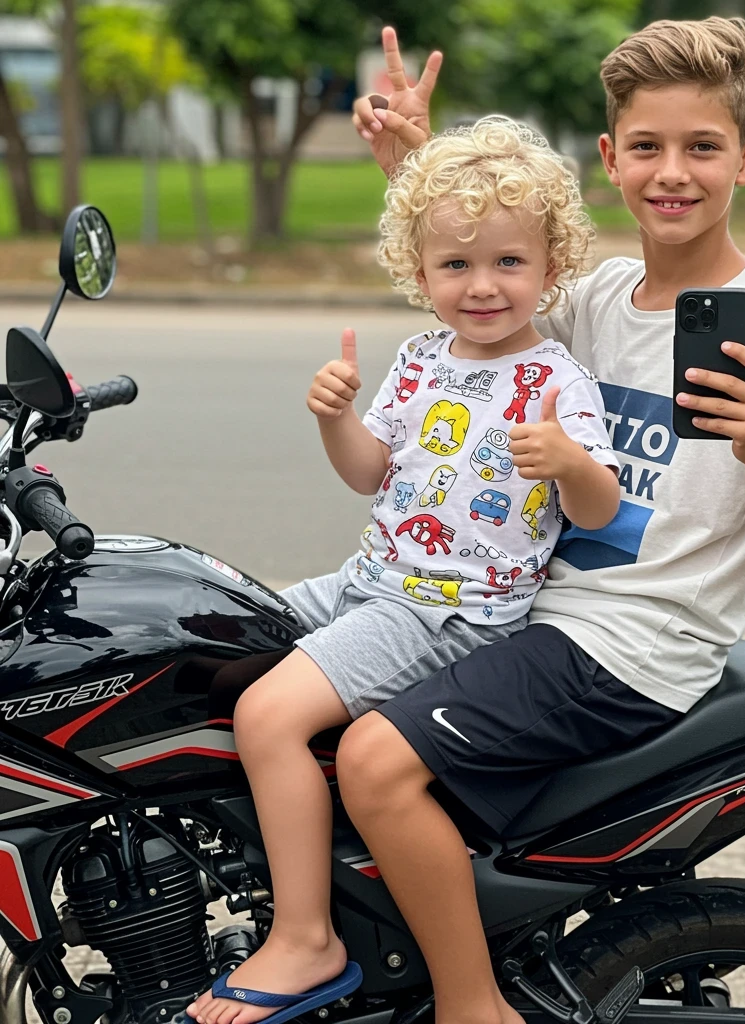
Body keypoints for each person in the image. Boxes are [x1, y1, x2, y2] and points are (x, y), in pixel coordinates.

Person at [331, 15, 745, 1024]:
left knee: (373, 763)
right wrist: (419, 161)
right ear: (610, 159)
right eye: (647, 147)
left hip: (633, 643)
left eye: (702, 148)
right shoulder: (598, 298)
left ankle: (472, 1005)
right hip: (529, 610)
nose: (673, 174)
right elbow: (482, 278)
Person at [186, 116, 620, 1024]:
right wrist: (332, 416)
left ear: (551, 265)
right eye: (455, 266)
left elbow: (600, 512)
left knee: (270, 713)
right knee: (204, 638)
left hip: (448, 612)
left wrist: (571, 465)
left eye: (508, 262)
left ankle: (307, 937)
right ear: (419, 273)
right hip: (371, 580)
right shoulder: (422, 358)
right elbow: (368, 474)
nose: (482, 285)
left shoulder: (556, 380)